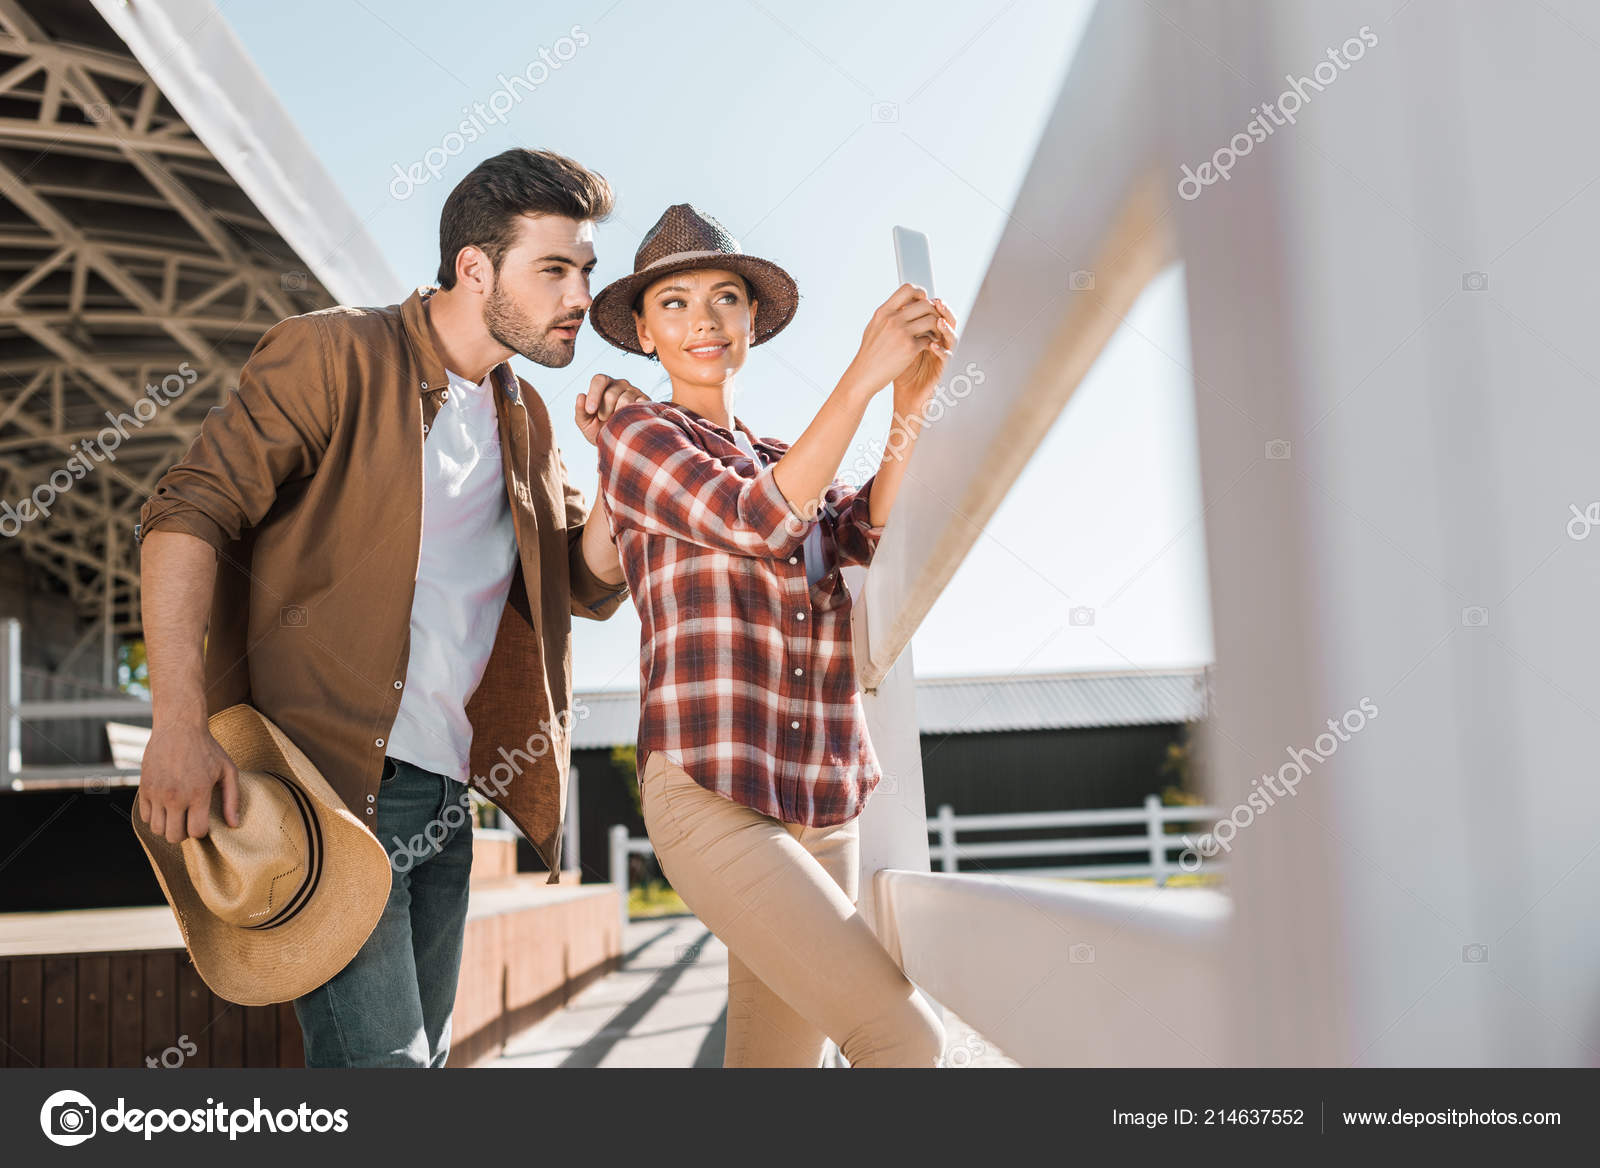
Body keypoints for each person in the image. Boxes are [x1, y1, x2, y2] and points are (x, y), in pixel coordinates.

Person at [135, 148, 647, 1066]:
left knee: (419, 1073)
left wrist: (622, 464)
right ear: (475, 268)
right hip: (329, 789)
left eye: (586, 271)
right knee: (390, 1076)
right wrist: (176, 721)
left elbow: (588, 584)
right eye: (556, 269)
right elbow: (186, 512)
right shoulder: (335, 353)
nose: (581, 297)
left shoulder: (523, 415)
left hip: (448, 796)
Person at [591, 203, 958, 1067]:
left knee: (777, 1074)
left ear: (753, 320)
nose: (705, 320)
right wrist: (864, 376)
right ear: (643, 332)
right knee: (902, 1038)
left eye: (725, 297)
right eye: (674, 304)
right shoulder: (638, 437)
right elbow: (758, 522)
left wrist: (911, 400)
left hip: (821, 801)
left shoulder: (782, 454)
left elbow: (868, 530)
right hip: (712, 794)